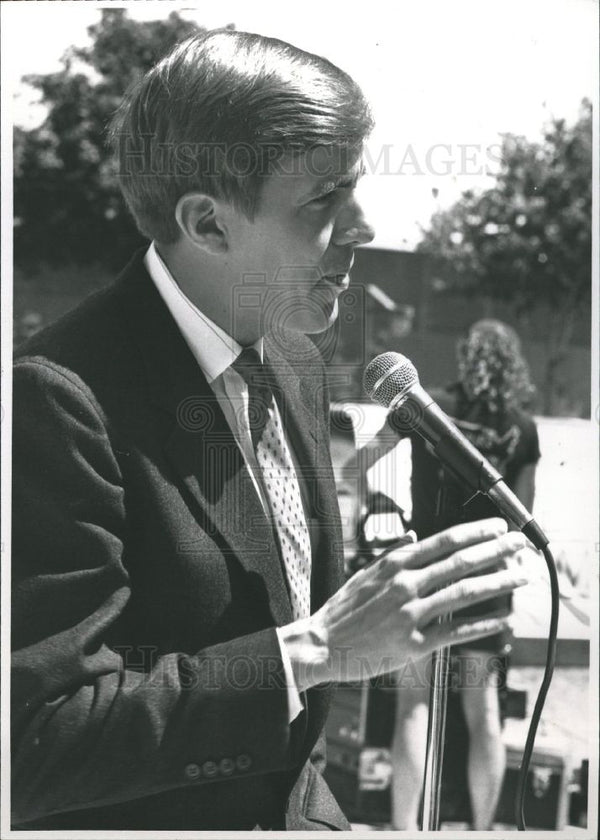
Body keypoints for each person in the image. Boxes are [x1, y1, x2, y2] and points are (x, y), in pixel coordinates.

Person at [11, 31, 528, 831]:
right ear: (208, 224)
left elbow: (266, 621)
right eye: (324, 202)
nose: (362, 226)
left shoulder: (291, 358)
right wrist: (317, 649)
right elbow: (35, 744)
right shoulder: (57, 403)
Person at [390, 319, 541, 831]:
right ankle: (481, 830)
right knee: (485, 716)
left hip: (429, 572)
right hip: (486, 584)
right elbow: (524, 510)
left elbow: (376, 454)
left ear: (465, 355)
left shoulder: (431, 407)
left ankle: (404, 829)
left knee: (413, 705)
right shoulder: (525, 427)